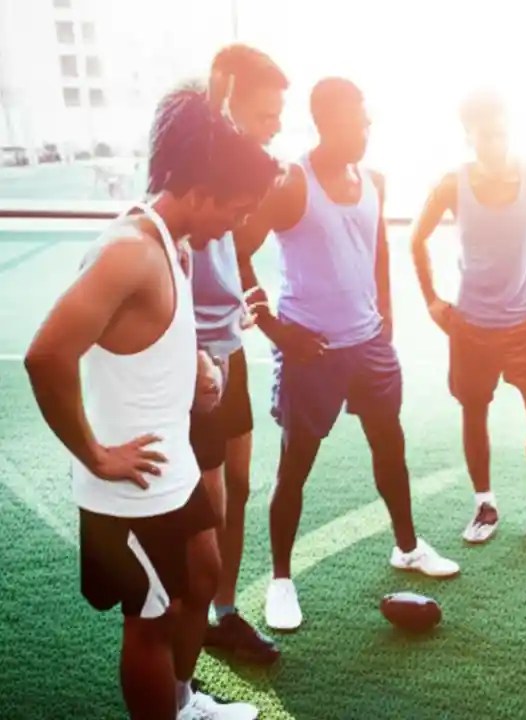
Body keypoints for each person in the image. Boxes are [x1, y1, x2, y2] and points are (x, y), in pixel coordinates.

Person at [25, 90, 276, 719]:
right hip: (133, 486)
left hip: (174, 469)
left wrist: (194, 371)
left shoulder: (175, 243)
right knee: (150, 624)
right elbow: (46, 356)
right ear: (201, 192)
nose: (236, 225)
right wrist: (95, 455)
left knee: (203, 573)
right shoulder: (129, 252)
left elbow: (146, 334)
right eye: (236, 209)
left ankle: (184, 703)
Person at [236, 78, 459, 633]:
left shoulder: (374, 179)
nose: (367, 128)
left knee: (391, 449)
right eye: (358, 120)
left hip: (369, 346)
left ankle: (406, 546)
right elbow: (237, 252)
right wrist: (275, 330)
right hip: (311, 350)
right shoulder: (290, 182)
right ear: (328, 123)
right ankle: (281, 580)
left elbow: (378, 245)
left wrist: (385, 312)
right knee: (296, 468)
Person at [409, 91, 526, 553]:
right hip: (471, 327)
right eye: (487, 134)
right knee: (474, 411)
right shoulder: (452, 185)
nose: (496, 142)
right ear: (470, 136)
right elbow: (417, 239)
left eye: (502, 132)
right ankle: (484, 504)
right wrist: (432, 301)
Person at [189, 43, 288, 665]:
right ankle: (189, 626)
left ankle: (224, 614)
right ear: (225, 98)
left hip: (231, 348)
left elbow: (237, 247)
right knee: (203, 507)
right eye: (266, 113)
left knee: (240, 488)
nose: (276, 125)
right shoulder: (193, 166)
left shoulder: (247, 173)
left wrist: (247, 298)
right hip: (193, 364)